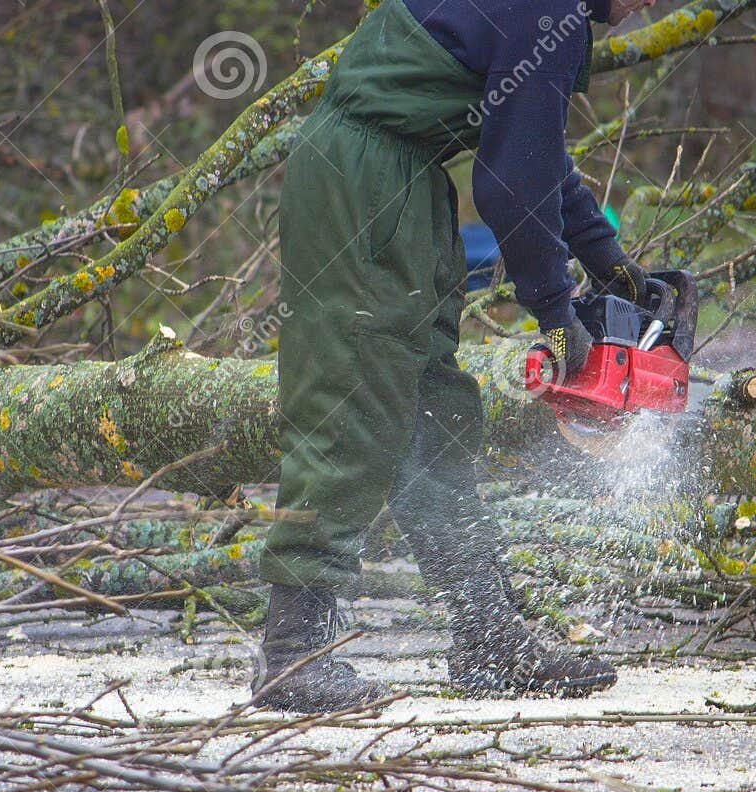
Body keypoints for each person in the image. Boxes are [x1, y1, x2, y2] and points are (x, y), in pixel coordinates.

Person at [253, 0, 661, 712]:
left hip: (400, 179)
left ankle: (487, 634)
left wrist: (609, 264)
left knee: (433, 409)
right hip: (363, 183)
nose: (653, 7)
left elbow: (537, 160)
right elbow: (510, 187)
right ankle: (292, 651)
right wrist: (558, 313)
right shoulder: (551, 14)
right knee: (352, 398)